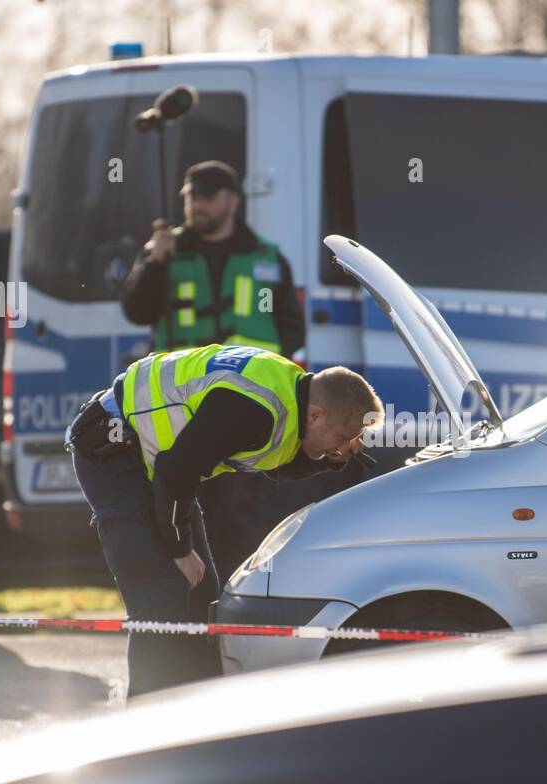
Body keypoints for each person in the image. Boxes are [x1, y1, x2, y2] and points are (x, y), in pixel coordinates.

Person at [66, 343, 382, 697]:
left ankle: (197, 713)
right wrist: (179, 549)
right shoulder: (253, 407)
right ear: (316, 415)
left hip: (157, 467)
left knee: (202, 592)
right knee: (161, 593)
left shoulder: (290, 397)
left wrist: (335, 457)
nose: (341, 448)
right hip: (111, 449)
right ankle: (148, 725)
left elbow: (281, 463)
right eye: (341, 439)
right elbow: (176, 469)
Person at [120, 160, 304, 357]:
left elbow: (292, 328)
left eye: (208, 197)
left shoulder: (266, 258)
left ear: (233, 202)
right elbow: (137, 313)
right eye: (192, 197)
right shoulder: (162, 250)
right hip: (182, 381)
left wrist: (271, 366)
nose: (197, 205)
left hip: (247, 381)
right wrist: (154, 265)